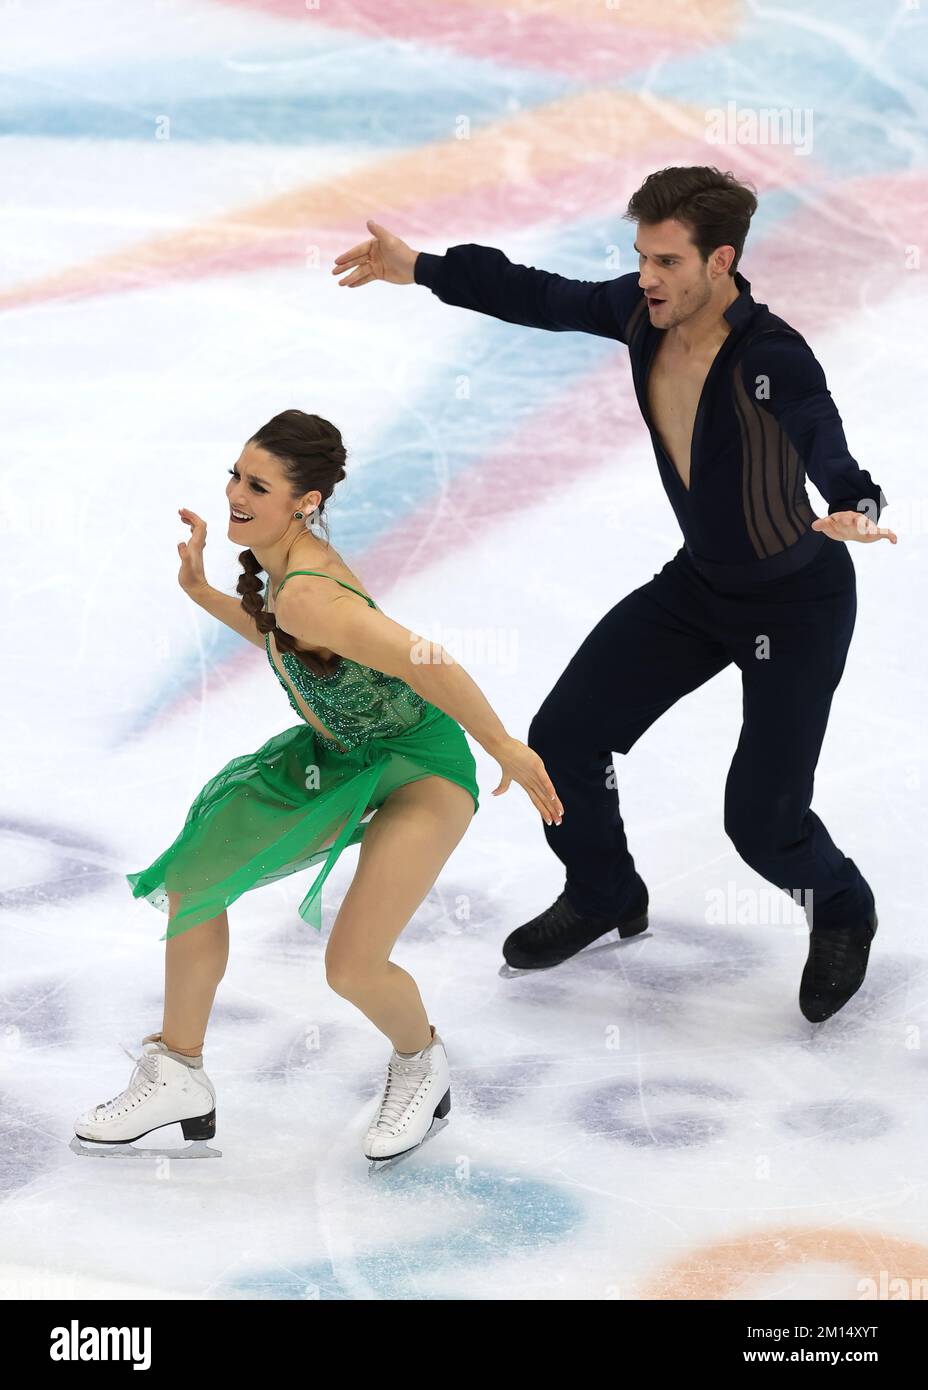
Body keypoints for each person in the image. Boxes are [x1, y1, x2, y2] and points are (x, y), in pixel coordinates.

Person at [331, 165, 897, 1023]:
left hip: (798, 604)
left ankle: (844, 907)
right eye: (642, 257)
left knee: (761, 819)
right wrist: (421, 267)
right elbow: (540, 293)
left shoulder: (772, 358)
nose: (647, 277)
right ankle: (604, 890)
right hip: (701, 588)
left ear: (722, 262)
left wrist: (854, 505)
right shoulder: (642, 315)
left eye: (667, 261)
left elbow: (824, 439)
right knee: (560, 741)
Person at [72, 410, 563, 1165]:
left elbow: (422, 657)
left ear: (304, 501)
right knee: (194, 880)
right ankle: (178, 1070)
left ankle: (420, 1064)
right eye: (235, 474)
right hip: (338, 755)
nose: (236, 492)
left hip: (420, 768)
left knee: (352, 966)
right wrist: (203, 591)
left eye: (257, 484)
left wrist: (501, 744)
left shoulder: (307, 588)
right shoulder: (286, 575)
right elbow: (287, 642)